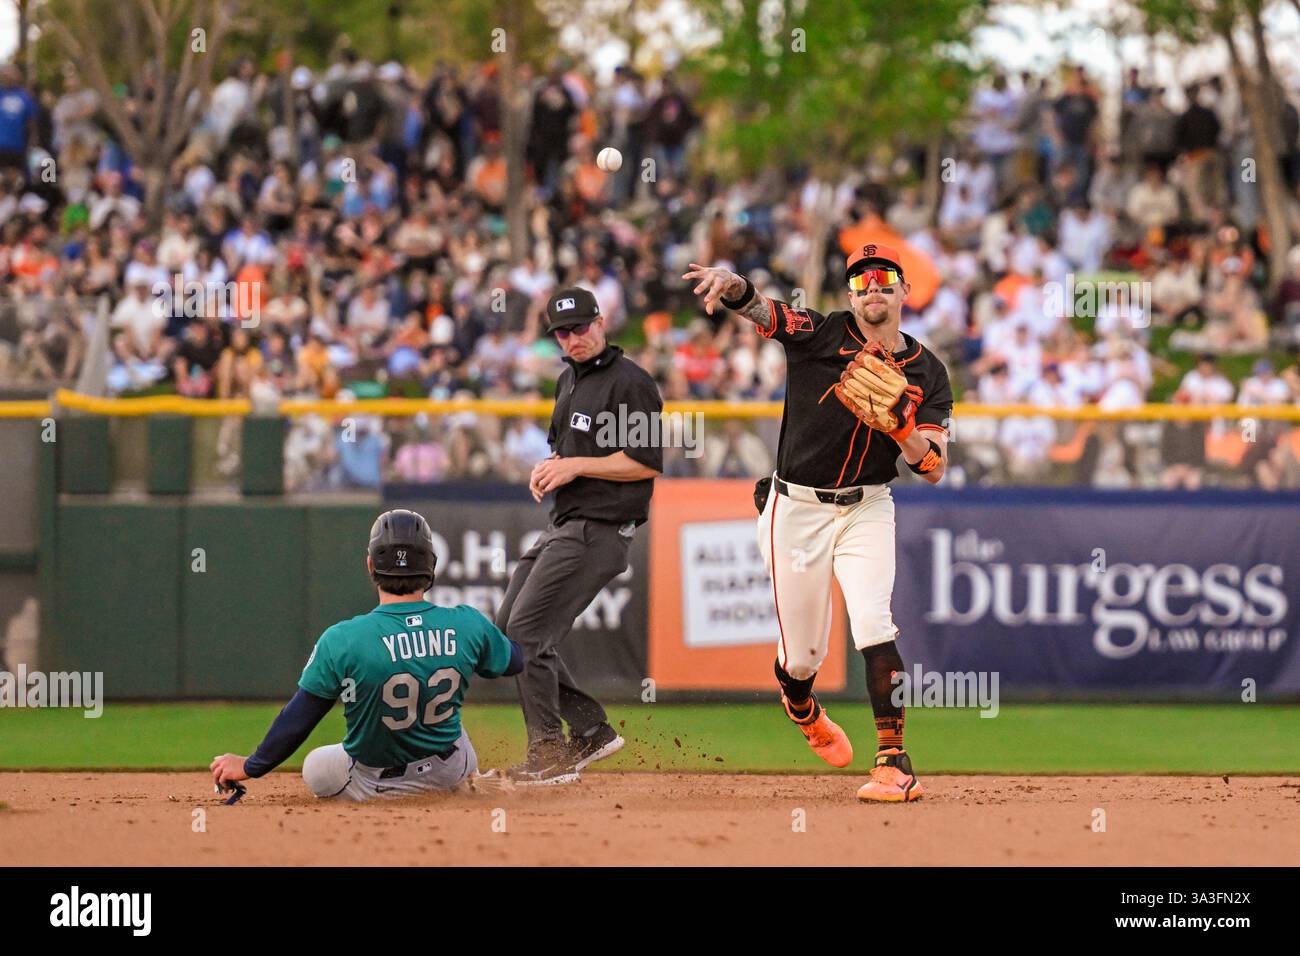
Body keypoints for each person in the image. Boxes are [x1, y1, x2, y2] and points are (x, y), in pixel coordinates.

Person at [683, 243, 953, 803]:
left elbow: (933, 467)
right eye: (861, 283)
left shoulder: (928, 370)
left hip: (867, 505)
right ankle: (801, 704)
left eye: (883, 281)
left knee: (875, 622)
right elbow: (764, 309)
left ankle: (893, 762)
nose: (872, 291)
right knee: (802, 657)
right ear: (850, 294)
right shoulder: (822, 333)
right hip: (797, 507)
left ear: (904, 291)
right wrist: (731, 283)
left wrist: (904, 429)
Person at [210, 509, 524, 801]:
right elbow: (514, 662)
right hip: (449, 771)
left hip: (377, 785)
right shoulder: (467, 622)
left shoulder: (342, 639)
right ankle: (468, 781)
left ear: (371, 564)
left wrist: (252, 765)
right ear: (431, 565)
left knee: (315, 764)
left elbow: (300, 717)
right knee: (454, 729)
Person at [497, 287, 663, 785]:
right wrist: (551, 466)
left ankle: (548, 752)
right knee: (510, 630)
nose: (574, 338)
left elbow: (644, 463)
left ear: (600, 322)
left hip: (601, 529)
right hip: (566, 524)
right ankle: (590, 731)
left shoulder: (630, 381)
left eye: (581, 326)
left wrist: (573, 466)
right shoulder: (568, 380)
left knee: (526, 633)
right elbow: (568, 455)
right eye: (563, 332)